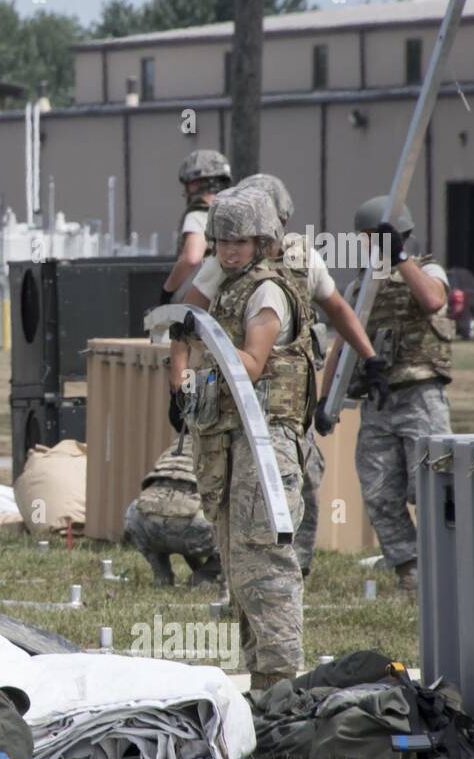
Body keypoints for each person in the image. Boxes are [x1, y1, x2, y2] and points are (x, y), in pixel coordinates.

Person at [183, 173, 391, 575]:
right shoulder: (226, 263)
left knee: (302, 483)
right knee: (236, 489)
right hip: (236, 401)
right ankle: (242, 571)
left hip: (289, 402)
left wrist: (370, 357)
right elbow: (190, 318)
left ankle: (297, 568)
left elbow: (337, 310)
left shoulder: (303, 258)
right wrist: (184, 382)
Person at [170, 186, 312, 692]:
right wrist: (182, 385)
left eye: (241, 241)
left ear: (264, 241)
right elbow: (182, 321)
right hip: (228, 436)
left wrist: (201, 379)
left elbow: (249, 365)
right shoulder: (226, 281)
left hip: (265, 442)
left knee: (263, 561)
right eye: (222, 241)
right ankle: (261, 682)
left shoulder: (267, 291)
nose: (230, 250)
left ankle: (279, 683)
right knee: (235, 562)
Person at [316, 196, 454, 592]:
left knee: (427, 486)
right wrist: (327, 401)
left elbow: (432, 300)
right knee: (378, 490)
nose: (366, 244)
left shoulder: (427, 269)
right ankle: (409, 570)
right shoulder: (361, 285)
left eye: (372, 238)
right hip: (378, 401)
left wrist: (399, 258)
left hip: (420, 396)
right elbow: (342, 346)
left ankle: (442, 566)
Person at [123, 437, 221, 590]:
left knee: (136, 510)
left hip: (148, 527)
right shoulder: (225, 442)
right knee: (247, 524)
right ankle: (206, 575)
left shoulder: (177, 445)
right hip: (196, 529)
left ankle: (162, 574)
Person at [160, 149, 232, 304]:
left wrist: (167, 291)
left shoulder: (199, 212)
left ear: (195, 183)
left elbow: (192, 258)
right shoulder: (235, 213)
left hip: (203, 300)